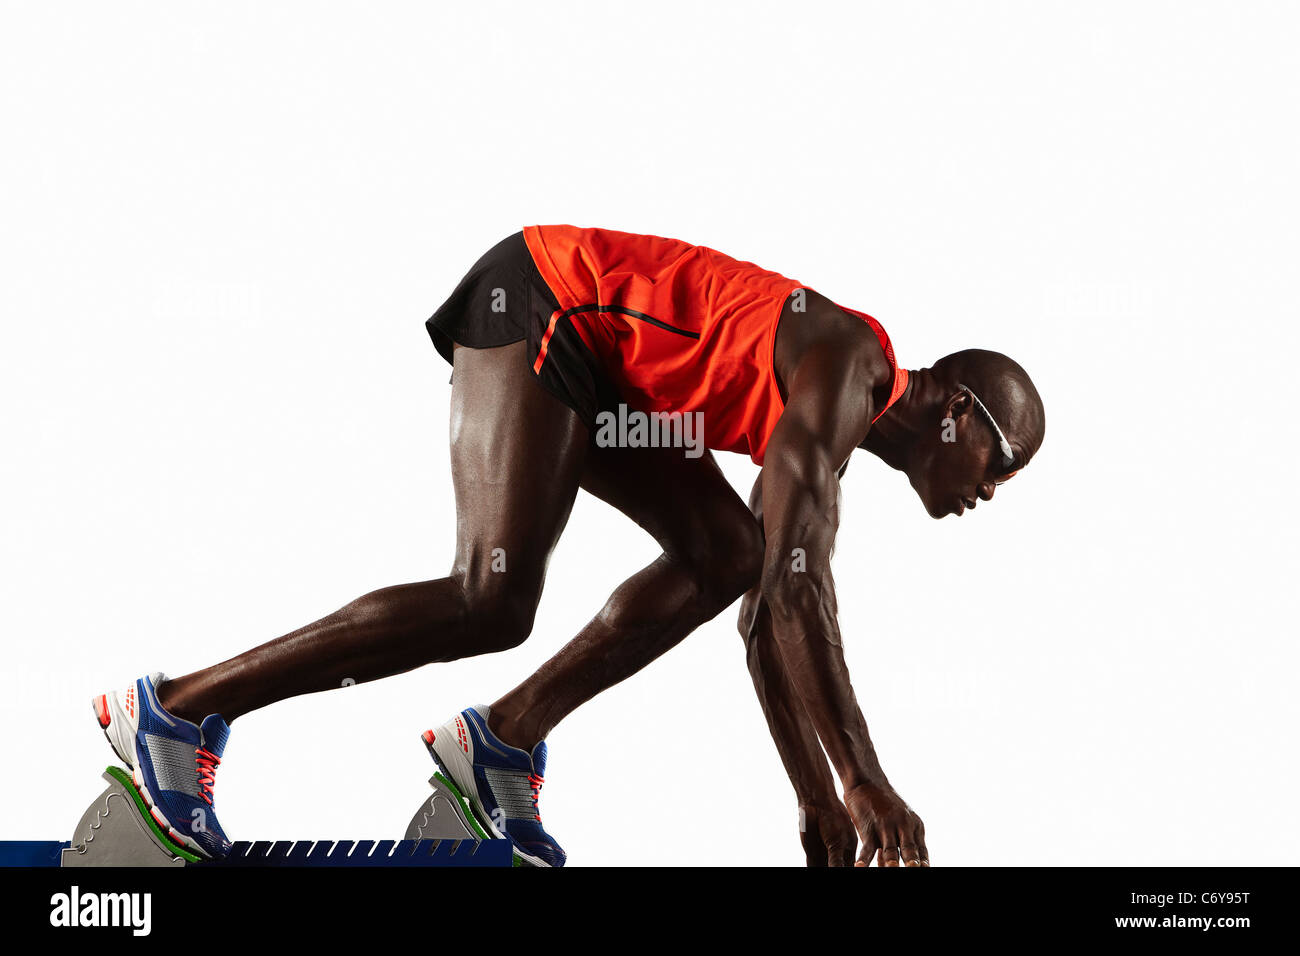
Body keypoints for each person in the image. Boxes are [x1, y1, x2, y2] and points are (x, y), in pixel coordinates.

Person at [91, 225, 1045, 867]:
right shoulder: (847, 369)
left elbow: (764, 612)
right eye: (999, 468)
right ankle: (174, 711)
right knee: (490, 598)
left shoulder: (838, 412)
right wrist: (865, 780)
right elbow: (801, 602)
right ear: (957, 417)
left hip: (617, 382)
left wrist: (817, 801)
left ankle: (498, 741)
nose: (990, 495)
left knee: (728, 552)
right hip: (545, 301)